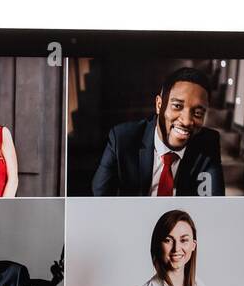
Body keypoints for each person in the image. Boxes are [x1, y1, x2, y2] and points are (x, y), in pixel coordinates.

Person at [91, 67, 226, 197]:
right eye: (177, 106)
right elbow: (100, 197)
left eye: (197, 113)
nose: (186, 121)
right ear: (159, 105)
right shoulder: (122, 139)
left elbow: (212, 203)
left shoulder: (208, 142)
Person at [120, 210, 208, 286]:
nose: (176, 248)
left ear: (193, 245)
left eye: (184, 240)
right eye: (168, 240)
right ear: (158, 245)